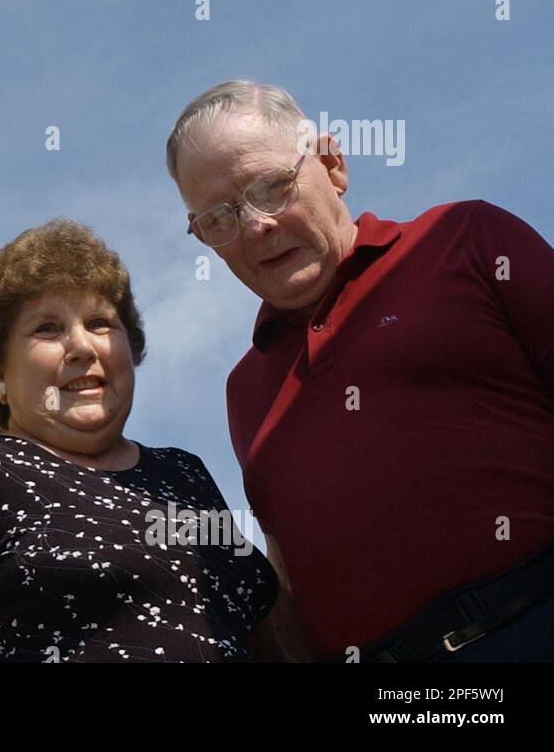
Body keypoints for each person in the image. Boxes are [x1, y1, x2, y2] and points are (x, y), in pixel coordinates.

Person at [166, 79, 554, 662]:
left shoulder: (464, 240)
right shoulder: (244, 390)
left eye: (270, 187)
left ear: (332, 164)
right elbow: (290, 577)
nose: (254, 226)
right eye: (218, 219)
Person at [0, 219, 279, 662]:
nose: (82, 346)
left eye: (100, 323)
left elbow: (269, 634)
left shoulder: (184, 473)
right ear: (0, 374)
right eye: (47, 329)